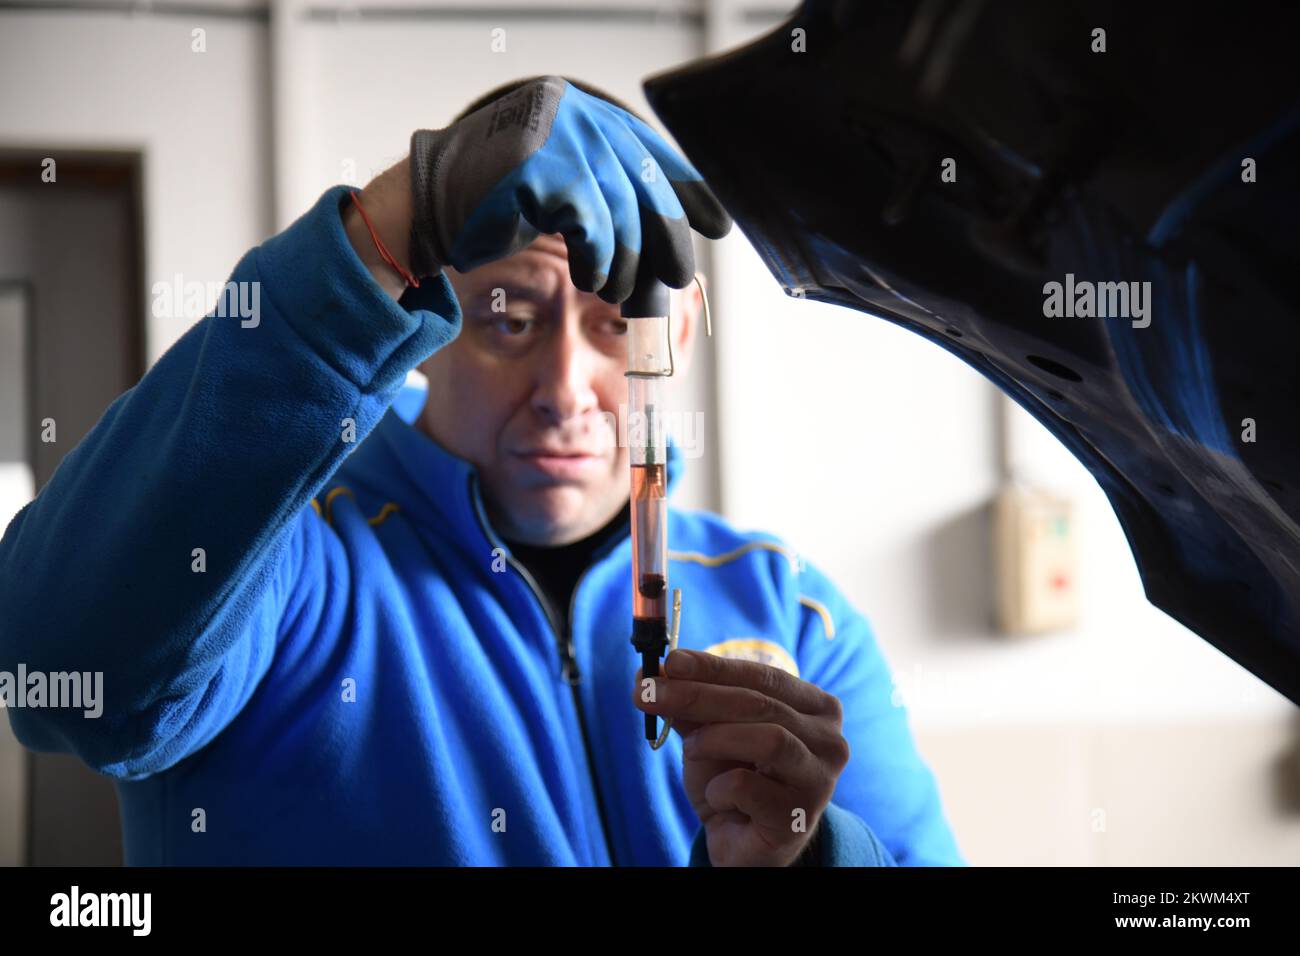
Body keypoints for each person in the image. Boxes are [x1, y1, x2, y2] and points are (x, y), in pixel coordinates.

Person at [0, 75, 963, 866]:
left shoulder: (787, 610)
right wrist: (390, 223)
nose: (566, 388)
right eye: (510, 317)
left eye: (614, 326)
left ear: (680, 329)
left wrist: (812, 860)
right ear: (429, 323)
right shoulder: (288, 570)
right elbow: (56, 662)